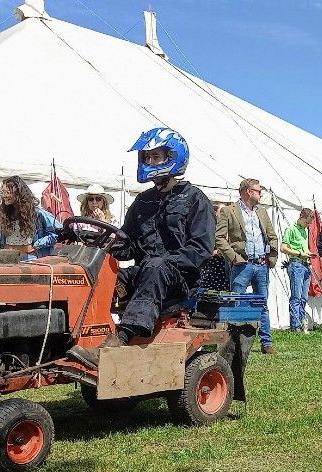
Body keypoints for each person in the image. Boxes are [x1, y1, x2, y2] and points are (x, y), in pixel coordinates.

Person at [68, 127, 214, 369]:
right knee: (100, 277)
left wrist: (164, 261)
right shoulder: (143, 201)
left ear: (173, 157)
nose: (149, 162)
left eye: (155, 157)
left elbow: (200, 249)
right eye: (147, 157)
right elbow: (128, 245)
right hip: (147, 271)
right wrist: (101, 242)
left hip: (182, 280)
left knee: (156, 266)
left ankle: (120, 340)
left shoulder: (195, 199)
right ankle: (80, 335)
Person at [216, 178, 279, 354]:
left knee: (263, 304)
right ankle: (236, 343)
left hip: (261, 264)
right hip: (242, 264)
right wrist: (234, 258)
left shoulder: (262, 212)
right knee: (236, 303)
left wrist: (271, 258)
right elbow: (219, 238)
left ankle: (266, 343)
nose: (261, 193)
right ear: (248, 192)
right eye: (258, 190)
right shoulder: (229, 211)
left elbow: (272, 235)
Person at [0, 175, 60, 260]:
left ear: (18, 192)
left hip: (29, 259)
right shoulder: (3, 213)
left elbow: (57, 233)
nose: (4, 196)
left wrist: (36, 245)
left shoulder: (37, 213)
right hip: (9, 259)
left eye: (8, 192)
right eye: (2, 192)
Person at [281, 208, 316, 332]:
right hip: (295, 264)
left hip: (305, 264)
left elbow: (304, 248)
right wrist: (300, 253)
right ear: (301, 217)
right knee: (296, 296)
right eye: (306, 222)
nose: (307, 225)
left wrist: (309, 254)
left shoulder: (305, 231)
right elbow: (283, 248)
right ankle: (295, 326)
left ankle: (301, 323)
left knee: (303, 297)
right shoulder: (290, 229)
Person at [199, 202, 231, 292]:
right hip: (210, 265)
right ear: (215, 212)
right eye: (221, 211)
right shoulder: (209, 227)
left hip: (224, 265)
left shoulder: (228, 227)